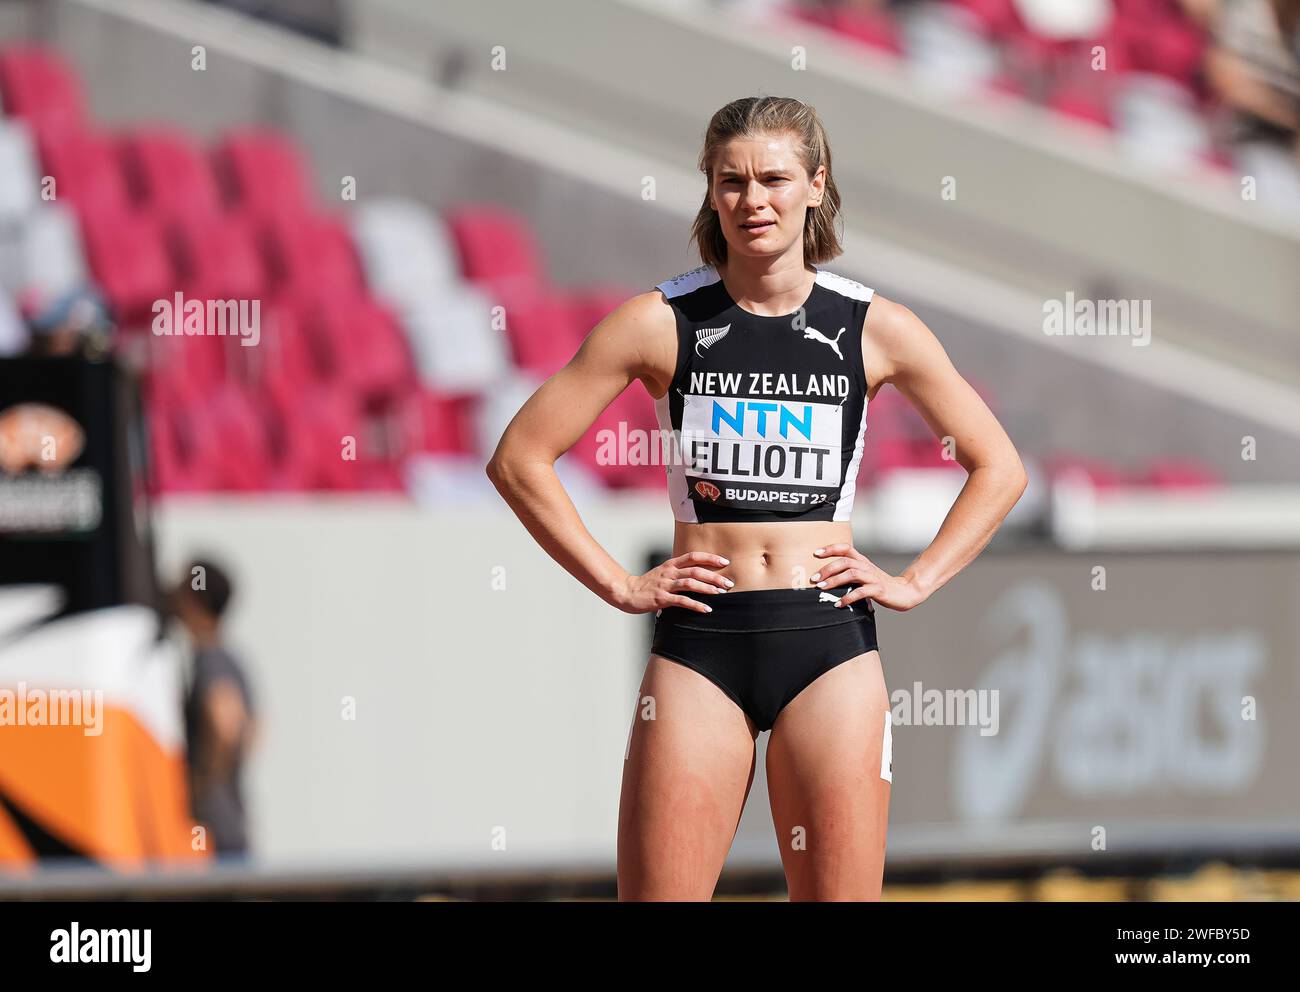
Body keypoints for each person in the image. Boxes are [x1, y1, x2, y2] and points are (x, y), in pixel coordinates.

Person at [486, 96, 1026, 901]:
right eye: (730, 181)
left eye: (773, 178)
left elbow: (999, 467)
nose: (752, 200)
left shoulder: (874, 326)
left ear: (816, 185)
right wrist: (617, 582)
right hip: (702, 646)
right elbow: (520, 458)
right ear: (709, 191)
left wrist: (915, 582)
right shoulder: (659, 322)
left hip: (830, 646)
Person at [170, 557, 257, 861]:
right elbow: (255, 728)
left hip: (211, 830)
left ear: (196, 600)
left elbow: (226, 723)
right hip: (231, 822)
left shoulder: (209, 659)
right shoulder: (232, 658)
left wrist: (203, 782)